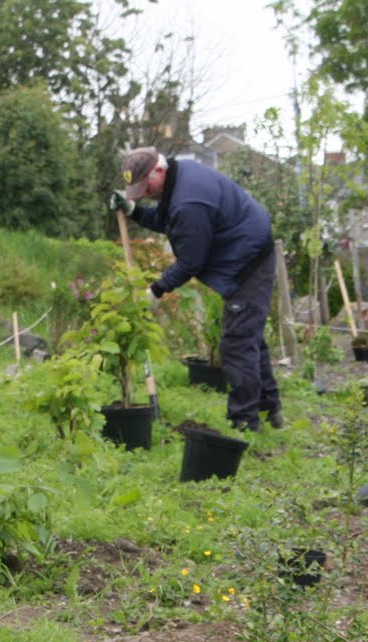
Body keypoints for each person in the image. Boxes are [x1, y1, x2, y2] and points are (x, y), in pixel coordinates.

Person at [110, 147, 282, 432]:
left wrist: (155, 290)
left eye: (144, 187)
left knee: (237, 342)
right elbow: (168, 221)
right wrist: (135, 211)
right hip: (244, 251)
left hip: (248, 262)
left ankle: (245, 421)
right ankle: (268, 407)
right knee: (248, 335)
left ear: (159, 170)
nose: (143, 193)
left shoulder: (189, 201)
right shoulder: (178, 179)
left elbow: (191, 261)